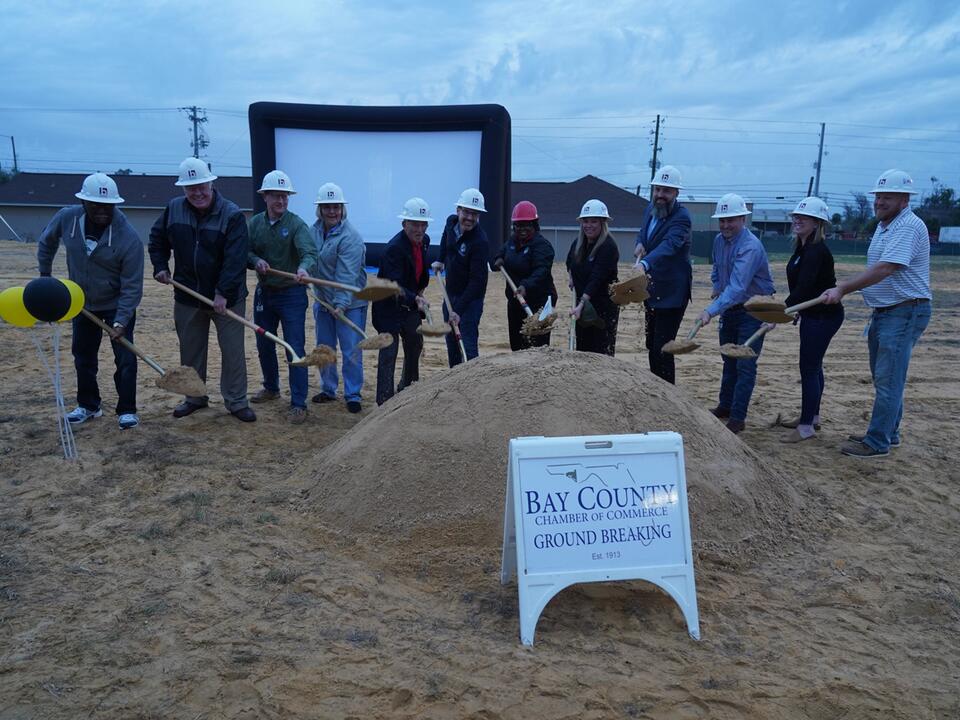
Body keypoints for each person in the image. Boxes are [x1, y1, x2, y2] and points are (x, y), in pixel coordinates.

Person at [821, 169, 932, 458]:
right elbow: (880, 270)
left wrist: (844, 287)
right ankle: (888, 433)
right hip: (886, 312)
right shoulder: (887, 226)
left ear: (904, 199)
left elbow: (886, 268)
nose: (880, 202)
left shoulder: (907, 225)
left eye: (888, 197)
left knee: (888, 379)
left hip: (905, 311)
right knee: (885, 377)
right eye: (878, 196)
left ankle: (877, 442)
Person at [148, 157, 255, 422]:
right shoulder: (173, 209)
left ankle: (236, 401)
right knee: (191, 350)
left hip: (227, 298)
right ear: (183, 189)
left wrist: (222, 293)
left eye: (201, 186)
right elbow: (156, 240)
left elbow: (235, 259)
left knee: (232, 352)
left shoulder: (232, 214)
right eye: (190, 188)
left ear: (211, 183)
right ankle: (194, 397)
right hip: (187, 295)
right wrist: (160, 265)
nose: (197, 193)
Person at [37, 173, 144, 430]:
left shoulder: (128, 237)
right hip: (81, 303)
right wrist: (45, 276)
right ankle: (89, 405)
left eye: (107, 206)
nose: (102, 211)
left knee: (126, 360)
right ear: (84, 202)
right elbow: (46, 242)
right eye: (95, 205)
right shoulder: (67, 218)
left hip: (116, 303)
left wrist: (121, 321)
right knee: (83, 356)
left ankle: (127, 410)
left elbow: (132, 286)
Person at [698, 193, 775, 434]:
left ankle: (738, 418)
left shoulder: (750, 246)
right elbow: (718, 269)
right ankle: (725, 406)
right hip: (731, 308)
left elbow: (738, 286)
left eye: (731, 220)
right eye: (722, 220)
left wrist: (710, 311)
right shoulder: (720, 241)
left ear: (743, 219)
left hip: (753, 310)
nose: (725, 225)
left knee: (745, 364)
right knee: (728, 358)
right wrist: (715, 286)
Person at [247, 170, 316, 424]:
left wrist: (304, 268)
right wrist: (255, 260)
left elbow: (309, 252)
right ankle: (271, 388)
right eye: (276, 196)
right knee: (264, 342)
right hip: (265, 292)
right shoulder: (254, 224)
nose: (281, 201)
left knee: (294, 347)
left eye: (285, 196)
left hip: (292, 295)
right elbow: (244, 251)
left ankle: (299, 402)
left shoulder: (296, 225)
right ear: (265, 197)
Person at [778, 197, 844, 443]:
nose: (797, 220)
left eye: (803, 217)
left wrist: (780, 312)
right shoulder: (802, 248)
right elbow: (802, 287)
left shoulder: (816, 251)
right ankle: (812, 416)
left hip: (823, 317)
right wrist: (792, 309)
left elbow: (805, 287)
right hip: (811, 314)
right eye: (796, 216)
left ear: (817, 222)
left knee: (809, 367)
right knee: (814, 366)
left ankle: (805, 427)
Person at [311, 182, 367, 414]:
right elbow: (307, 257)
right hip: (323, 301)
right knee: (325, 348)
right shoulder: (312, 231)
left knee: (351, 349)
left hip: (350, 303)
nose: (332, 211)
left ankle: (353, 393)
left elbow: (346, 275)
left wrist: (341, 303)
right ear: (320, 209)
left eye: (336, 207)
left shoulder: (351, 237)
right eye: (327, 207)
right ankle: (328, 389)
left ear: (342, 209)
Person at [633, 165, 692, 383]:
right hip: (653, 291)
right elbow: (643, 233)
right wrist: (640, 243)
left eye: (666, 191)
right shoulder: (650, 209)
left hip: (672, 293)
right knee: (652, 346)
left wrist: (645, 264)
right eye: (657, 189)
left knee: (663, 348)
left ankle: (669, 395)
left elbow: (669, 246)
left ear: (676, 193)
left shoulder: (682, 217)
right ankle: (657, 391)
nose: (660, 195)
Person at [372, 198, 432, 406]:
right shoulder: (393, 249)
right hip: (388, 307)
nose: (420, 229)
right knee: (389, 352)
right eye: (415, 224)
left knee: (415, 345)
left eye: (423, 224)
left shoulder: (424, 242)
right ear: (404, 223)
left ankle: (408, 389)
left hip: (410, 306)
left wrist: (420, 293)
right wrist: (415, 297)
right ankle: (384, 401)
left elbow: (421, 274)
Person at [432, 188, 489, 366]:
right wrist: (440, 259)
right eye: (467, 212)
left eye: (475, 214)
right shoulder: (451, 222)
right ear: (458, 210)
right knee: (452, 343)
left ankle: (471, 386)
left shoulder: (480, 241)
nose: (470, 218)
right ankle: (454, 383)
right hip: (450, 293)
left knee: (468, 345)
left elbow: (477, 282)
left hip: (470, 300)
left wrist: (459, 310)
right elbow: (445, 237)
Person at [491, 201, 556, 350]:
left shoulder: (542, 246)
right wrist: (499, 258)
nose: (522, 229)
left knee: (537, 344)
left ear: (534, 224)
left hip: (538, 302)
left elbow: (541, 271)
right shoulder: (513, 241)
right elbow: (502, 252)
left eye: (527, 224)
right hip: (515, 300)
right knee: (517, 342)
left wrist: (525, 286)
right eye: (519, 225)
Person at [566, 199, 620, 356]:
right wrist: (571, 276)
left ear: (603, 222)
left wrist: (581, 304)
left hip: (602, 307)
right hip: (582, 305)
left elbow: (597, 278)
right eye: (585, 221)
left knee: (600, 351)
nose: (588, 225)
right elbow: (570, 261)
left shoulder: (608, 246)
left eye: (593, 221)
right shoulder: (579, 243)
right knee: (583, 349)